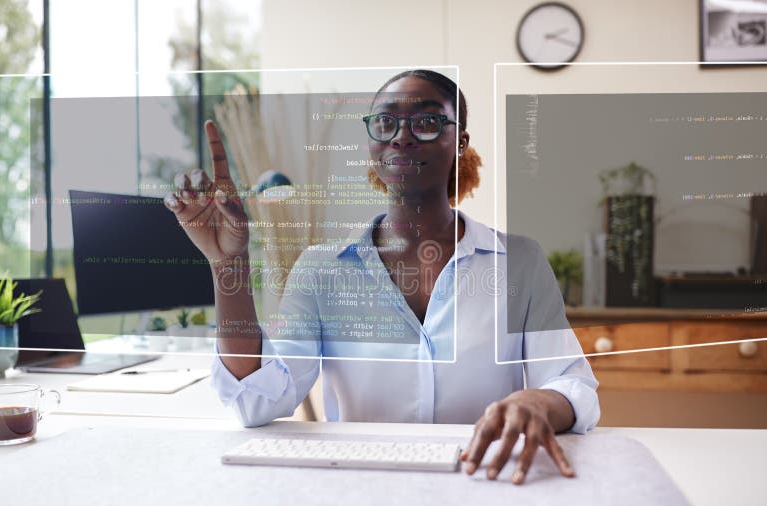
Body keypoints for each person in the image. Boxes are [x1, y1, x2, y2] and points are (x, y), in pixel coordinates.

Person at [164, 69, 600, 484]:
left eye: (428, 120)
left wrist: (540, 400)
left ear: (460, 141)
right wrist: (228, 266)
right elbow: (255, 401)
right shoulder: (321, 270)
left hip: (486, 479)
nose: (403, 135)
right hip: (360, 490)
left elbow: (573, 384)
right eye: (386, 122)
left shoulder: (519, 261)